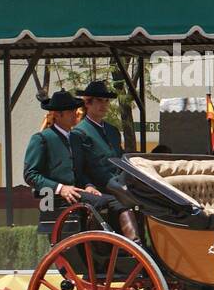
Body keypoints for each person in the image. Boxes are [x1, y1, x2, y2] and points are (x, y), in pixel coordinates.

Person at [23, 89, 138, 240]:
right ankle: (103, 245)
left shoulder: (76, 138)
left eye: (75, 109)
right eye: (70, 111)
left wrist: (89, 185)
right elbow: (30, 175)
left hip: (79, 192)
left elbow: (80, 171)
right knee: (106, 201)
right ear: (57, 115)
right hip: (59, 197)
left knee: (118, 201)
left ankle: (135, 243)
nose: (75, 113)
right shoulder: (42, 139)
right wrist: (60, 188)